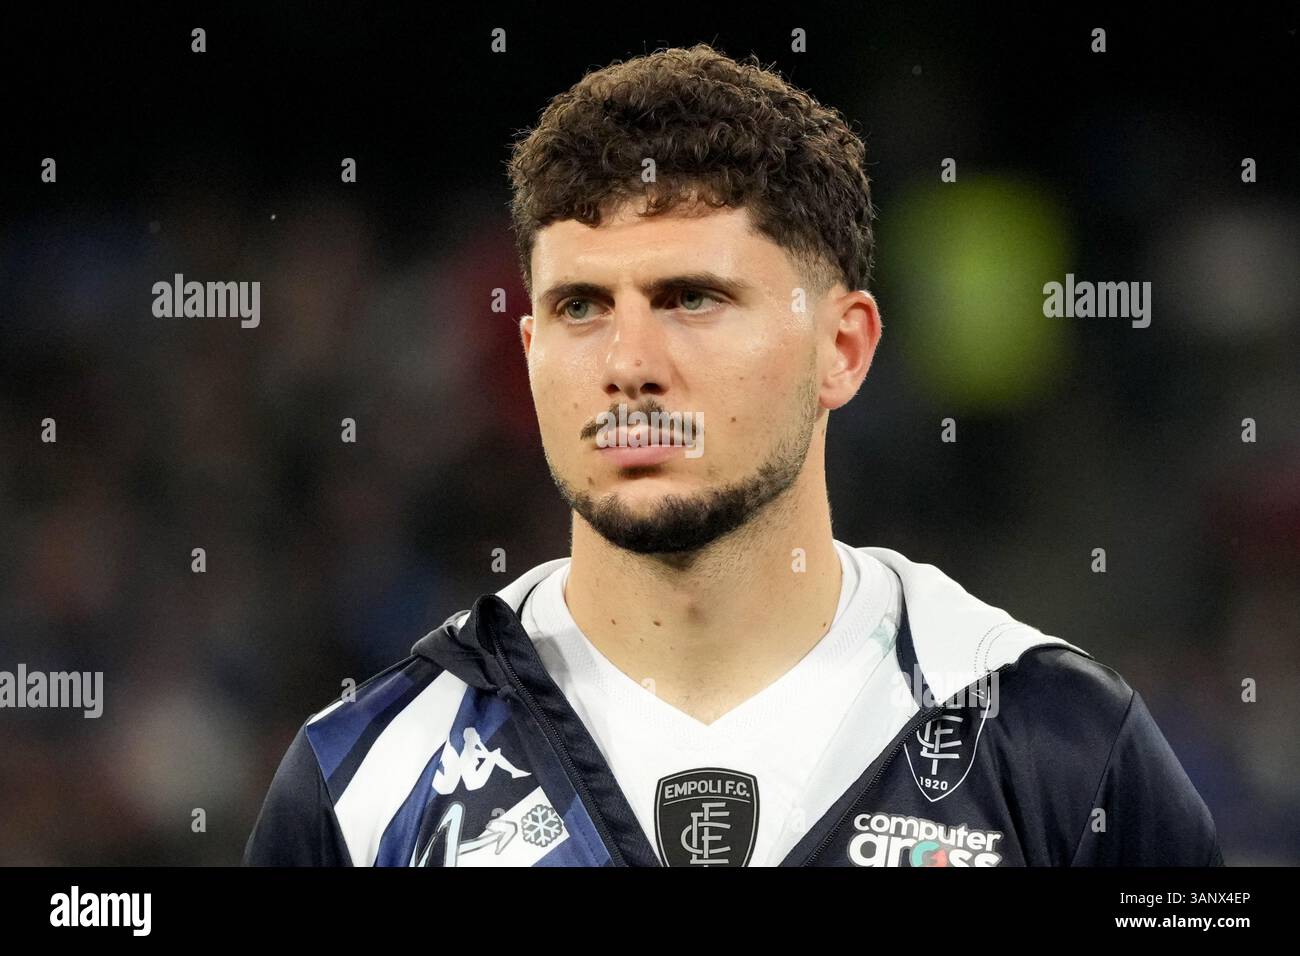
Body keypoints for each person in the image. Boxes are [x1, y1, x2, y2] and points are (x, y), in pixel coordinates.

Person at [243, 43, 1221, 867]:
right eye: (580, 307)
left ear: (840, 349)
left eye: (692, 299)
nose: (628, 364)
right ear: (531, 352)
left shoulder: (1059, 745)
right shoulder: (364, 778)